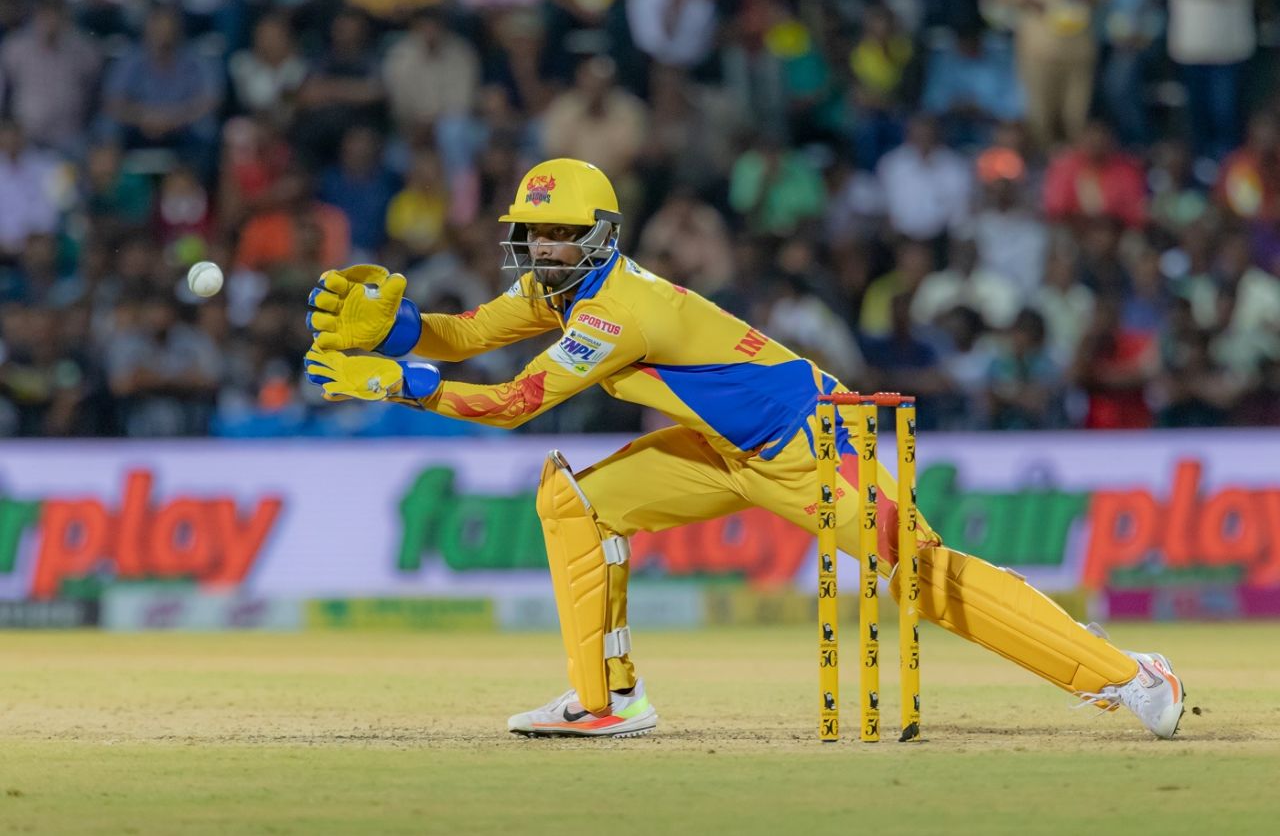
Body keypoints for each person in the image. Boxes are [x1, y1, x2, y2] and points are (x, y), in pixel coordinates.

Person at [302, 158, 1186, 740]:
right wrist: (404, 329)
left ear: (601, 235)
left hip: (811, 445)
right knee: (575, 500)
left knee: (922, 577)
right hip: (723, 450)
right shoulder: (561, 289)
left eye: (561, 233)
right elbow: (465, 333)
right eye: (533, 233)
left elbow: (510, 403)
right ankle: (603, 702)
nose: (542, 247)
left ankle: (1127, 674)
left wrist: (400, 382)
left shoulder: (615, 312)